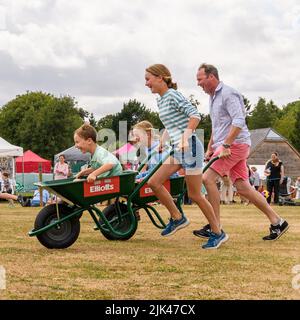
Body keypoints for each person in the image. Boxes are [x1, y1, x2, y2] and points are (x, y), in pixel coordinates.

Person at [195, 63, 288, 241]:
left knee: (206, 178)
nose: (198, 84)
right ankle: (278, 222)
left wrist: (226, 145)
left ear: (211, 77)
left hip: (234, 145)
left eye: (200, 80)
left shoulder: (229, 93)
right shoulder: (213, 97)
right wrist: (210, 147)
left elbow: (239, 121)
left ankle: (216, 227)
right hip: (227, 146)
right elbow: (218, 125)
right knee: (243, 188)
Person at [145, 64, 227, 249]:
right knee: (153, 182)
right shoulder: (161, 100)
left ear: (160, 78)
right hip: (177, 149)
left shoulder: (173, 95)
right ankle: (178, 217)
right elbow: (170, 124)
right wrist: (162, 143)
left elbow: (195, 115)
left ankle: (217, 233)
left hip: (191, 148)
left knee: (195, 195)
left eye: (148, 79)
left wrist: (185, 137)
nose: (146, 83)